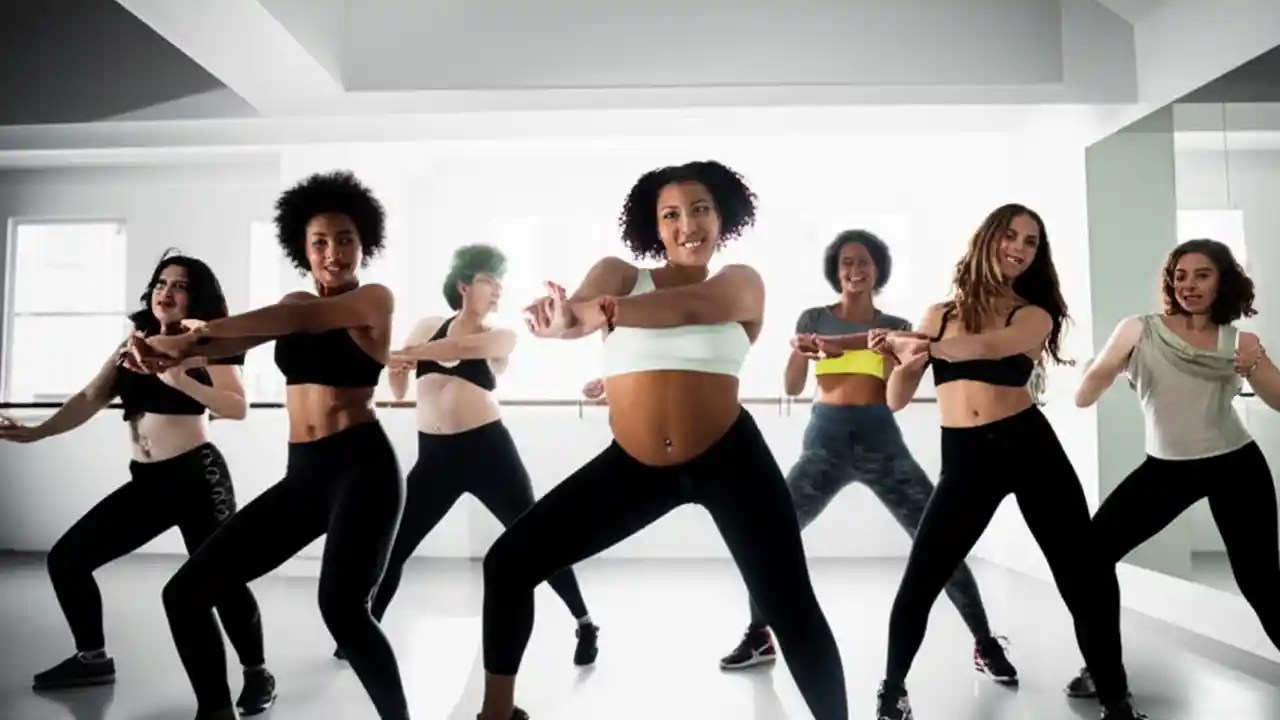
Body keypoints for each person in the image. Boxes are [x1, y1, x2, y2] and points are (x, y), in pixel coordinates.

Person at [473, 160, 848, 720]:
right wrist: (565, 320)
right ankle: (496, 714)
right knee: (507, 564)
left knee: (790, 605)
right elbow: (580, 310)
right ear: (655, 227)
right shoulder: (621, 276)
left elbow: (689, 308)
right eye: (670, 214)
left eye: (700, 209)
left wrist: (604, 315)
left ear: (723, 217)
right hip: (635, 465)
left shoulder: (740, 283)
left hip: (730, 456)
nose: (687, 224)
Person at [132, 171, 410, 720]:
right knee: (184, 594)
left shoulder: (374, 299)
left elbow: (300, 317)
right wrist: (174, 352)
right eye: (320, 242)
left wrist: (191, 337)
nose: (334, 253)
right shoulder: (291, 299)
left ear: (364, 243)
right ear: (302, 248)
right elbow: (251, 333)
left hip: (363, 469)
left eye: (346, 239)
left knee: (343, 611)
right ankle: (214, 712)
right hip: (304, 475)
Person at [869, 204, 1150, 720]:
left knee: (1081, 577)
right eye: (1011, 236)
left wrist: (926, 345)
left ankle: (1116, 702)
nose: (1020, 248)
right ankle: (892, 694)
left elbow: (991, 346)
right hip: (965, 459)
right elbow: (896, 398)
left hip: (1028, 450)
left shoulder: (1031, 315)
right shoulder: (939, 315)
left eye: (1031, 242)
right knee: (921, 579)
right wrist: (908, 362)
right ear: (987, 239)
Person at [715, 230, 1018, 685]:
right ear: (835, 271)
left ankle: (984, 641)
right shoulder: (813, 317)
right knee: (768, 535)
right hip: (825, 444)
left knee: (942, 539)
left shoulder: (894, 324)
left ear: (878, 269)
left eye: (863, 263)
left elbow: (899, 389)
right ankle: (760, 633)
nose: (854, 271)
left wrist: (865, 348)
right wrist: (800, 350)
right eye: (845, 263)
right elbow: (794, 386)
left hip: (881, 443)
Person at [0, 253, 276, 716]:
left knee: (222, 582)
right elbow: (90, 397)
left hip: (197, 477)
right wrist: (35, 432)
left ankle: (256, 673)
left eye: (180, 285)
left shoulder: (208, 341)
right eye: (160, 283)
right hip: (148, 482)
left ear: (197, 295)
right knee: (67, 559)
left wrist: (179, 376)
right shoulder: (134, 344)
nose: (166, 292)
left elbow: (235, 406)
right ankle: (92, 659)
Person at [336, 243, 599, 665]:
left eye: (500, 284)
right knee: (395, 544)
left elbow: (451, 352)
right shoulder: (426, 326)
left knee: (536, 540)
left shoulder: (500, 337)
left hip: (488, 453)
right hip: (435, 459)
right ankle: (362, 630)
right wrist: (396, 370)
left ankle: (585, 623)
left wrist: (407, 355)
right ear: (463, 284)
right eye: (488, 281)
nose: (497, 291)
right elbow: (402, 391)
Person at [1065, 238, 1280, 699]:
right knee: (1090, 558)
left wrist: (1256, 360)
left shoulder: (1238, 340)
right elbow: (1083, 397)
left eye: (1202, 275)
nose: (1189, 285)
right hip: (1167, 469)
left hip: (1234, 464)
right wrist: (1110, 362)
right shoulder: (1139, 330)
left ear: (1223, 280)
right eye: (1180, 276)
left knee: (1262, 583)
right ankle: (1102, 671)